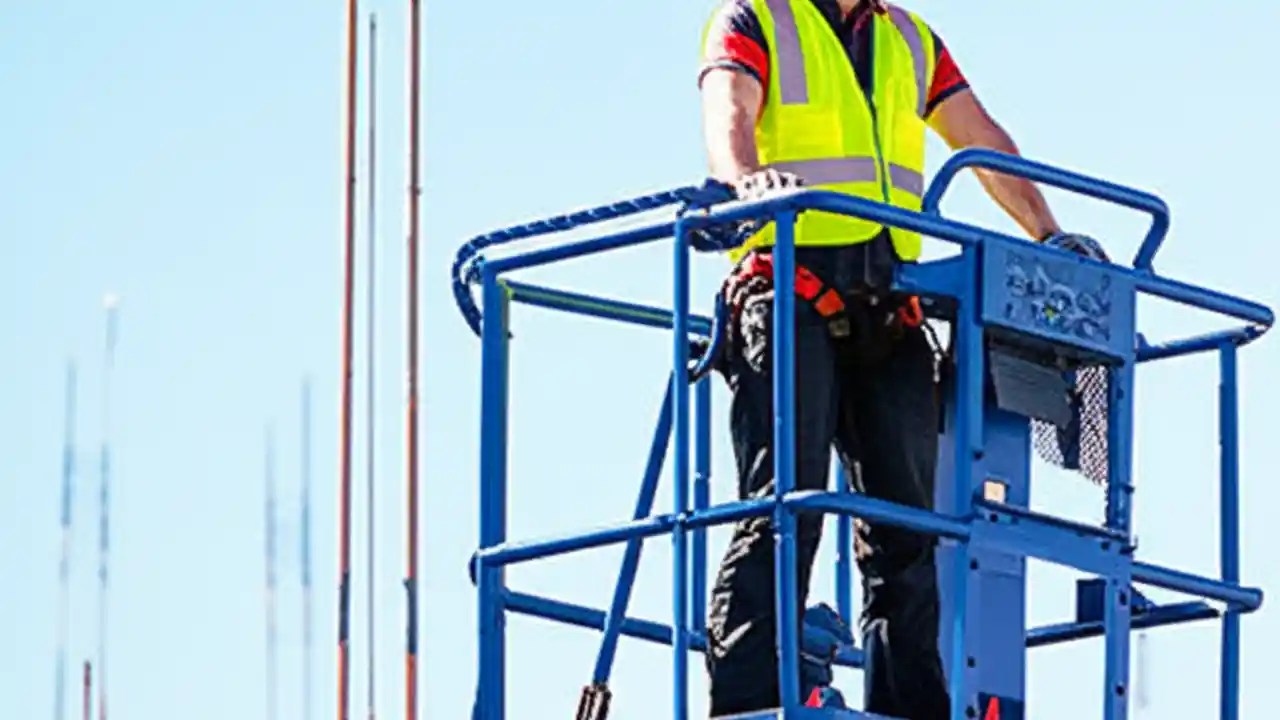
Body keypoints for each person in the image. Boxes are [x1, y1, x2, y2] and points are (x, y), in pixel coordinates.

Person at [697, 1, 1080, 717]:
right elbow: (729, 110)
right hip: (788, 292)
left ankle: (911, 706)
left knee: (909, 530)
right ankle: (748, 702)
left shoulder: (910, 38)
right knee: (784, 507)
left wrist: (1051, 234)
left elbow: (982, 141)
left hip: (886, 306)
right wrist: (745, 182)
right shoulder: (757, 18)